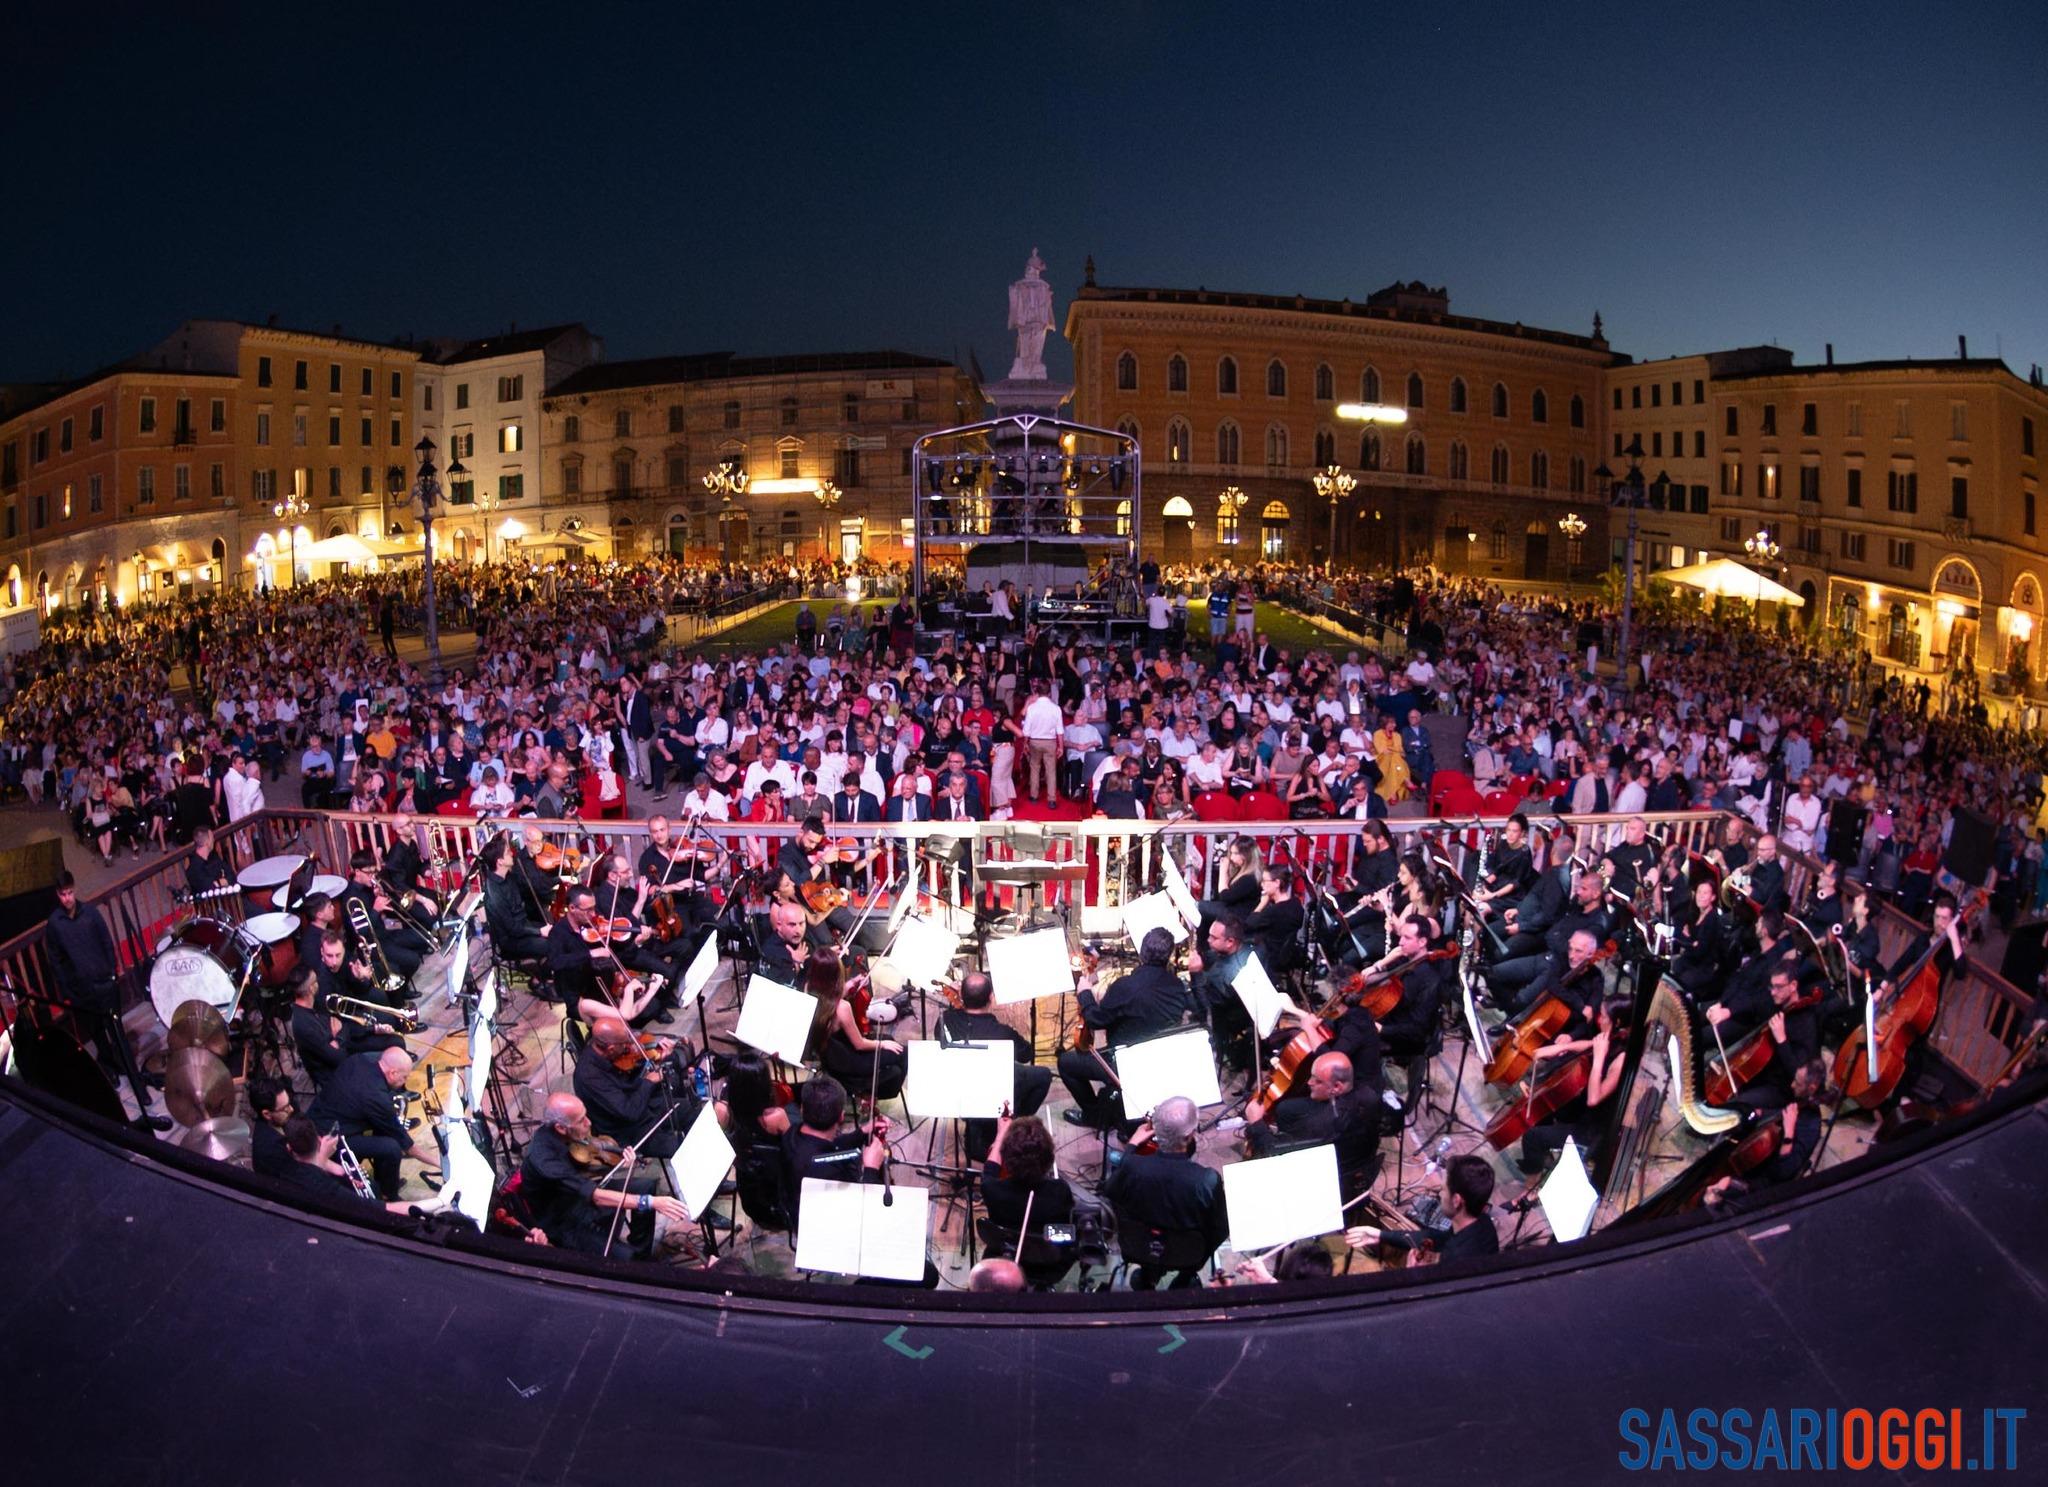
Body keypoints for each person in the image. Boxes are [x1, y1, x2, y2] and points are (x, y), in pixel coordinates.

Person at [45, 872, 168, 1129]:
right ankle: (110, 1070)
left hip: (105, 985)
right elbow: (56, 961)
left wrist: (112, 973)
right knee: (98, 1035)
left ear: (74, 889)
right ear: (57, 895)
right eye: (62, 894)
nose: (67, 898)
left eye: (70, 892)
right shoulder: (55, 924)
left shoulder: (90, 913)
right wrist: (69, 991)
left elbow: (107, 942)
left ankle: (138, 1085)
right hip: (82, 992)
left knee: (119, 1036)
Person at [519, 1092, 688, 1257]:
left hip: (579, 1196)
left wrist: (618, 1154)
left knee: (645, 1186)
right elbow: (596, 1196)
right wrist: (650, 1202)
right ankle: (632, 1262)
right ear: (561, 1128)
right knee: (627, 1256)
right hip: (564, 1219)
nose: (589, 1123)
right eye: (581, 1121)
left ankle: (641, 1251)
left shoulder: (566, 1132)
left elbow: (588, 1158)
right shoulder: (544, 1160)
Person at [1059, 927, 1195, 1128]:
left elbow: (1096, 1020)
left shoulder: (1125, 986)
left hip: (1125, 1062)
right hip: (1160, 1059)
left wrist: (1085, 994)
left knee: (1065, 1063)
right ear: (1168, 956)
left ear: (1142, 952)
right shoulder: (1177, 986)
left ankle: (1095, 1116)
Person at [1100, 1095, 1227, 1290]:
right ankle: (1184, 1279)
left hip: (1138, 1247)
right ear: (1190, 1135)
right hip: (1188, 1255)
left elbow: (1109, 1194)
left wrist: (1131, 1146)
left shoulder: (1131, 1166)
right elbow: (1221, 1229)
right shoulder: (1207, 1180)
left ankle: (1148, 1277)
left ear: (1156, 1130)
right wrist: (1200, 1258)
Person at [939, 970, 1051, 1160]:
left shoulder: (945, 1021)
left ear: (962, 996)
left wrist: (957, 1004)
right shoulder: (1003, 1033)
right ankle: (1013, 1124)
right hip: (994, 1086)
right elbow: (1027, 1055)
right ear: (991, 997)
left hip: (961, 1086)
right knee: (1043, 1075)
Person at [307, 1046, 440, 1200]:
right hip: (331, 1140)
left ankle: (383, 1179)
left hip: (318, 1119)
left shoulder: (357, 1059)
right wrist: (438, 1162)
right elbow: (409, 1147)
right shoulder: (376, 1098)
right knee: (392, 1148)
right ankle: (389, 1195)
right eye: (404, 1077)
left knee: (384, 1131)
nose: (405, 1081)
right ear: (393, 1073)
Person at [1346, 1152, 1500, 1264]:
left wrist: (1413, 1271)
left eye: (1444, 1190)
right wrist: (1381, 1235)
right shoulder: (1483, 1222)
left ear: (1456, 1201)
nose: (1440, 1194)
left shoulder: (1454, 1258)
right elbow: (1435, 1238)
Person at [979, 1114, 1077, 1290]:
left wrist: (1001, 1135)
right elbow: (1063, 1231)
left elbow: (990, 1168)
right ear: (1049, 1159)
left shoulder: (991, 1189)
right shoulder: (1059, 1191)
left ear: (1006, 1158)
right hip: (1047, 1264)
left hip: (1003, 1254)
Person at [780, 1076, 889, 1231]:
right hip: (821, 1226)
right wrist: (871, 1169)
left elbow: (827, 1147)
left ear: (802, 1109)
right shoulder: (828, 1172)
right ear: (842, 1116)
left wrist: (861, 1133)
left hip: (799, 1206)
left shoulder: (792, 1133)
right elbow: (860, 1212)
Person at [248, 1074, 296, 1179]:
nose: (291, 1109)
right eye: (285, 1108)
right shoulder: (271, 1150)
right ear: (267, 1114)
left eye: (289, 1103)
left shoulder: (283, 1115)